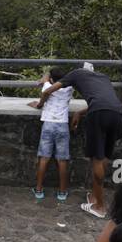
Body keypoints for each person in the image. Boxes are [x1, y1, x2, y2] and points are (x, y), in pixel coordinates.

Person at [39, 62, 122, 219]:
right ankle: (94, 196)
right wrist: (79, 112)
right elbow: (104, 99)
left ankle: (100, 206)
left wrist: (40, 104)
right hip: (118, 113)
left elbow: (49, 91)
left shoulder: (76, 74)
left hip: (98, 115)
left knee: (97, 159)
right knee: (105, 156)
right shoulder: (103, 77)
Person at [29, 67, 74, 202]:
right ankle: (62, 191)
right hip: (62, 125)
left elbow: (44, 80)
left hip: (48, 124)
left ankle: (38, 189)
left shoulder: (47, 87)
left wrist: (47, 77)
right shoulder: (70, 88)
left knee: (44, 158)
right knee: (62, 160)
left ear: (52, 79)